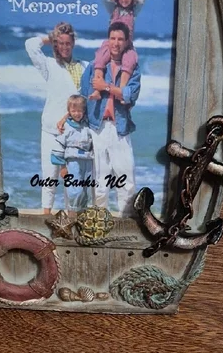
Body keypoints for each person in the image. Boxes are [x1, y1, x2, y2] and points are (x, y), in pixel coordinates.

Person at [80, 21, 141, 217]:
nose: (116, 43)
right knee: (100, 179)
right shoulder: (94, 66)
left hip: (119, 127)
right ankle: (100, 220)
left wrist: (106, 87)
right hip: (97, 126)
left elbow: (130, 95)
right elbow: (84, 92)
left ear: (126, 42)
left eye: (120, 39)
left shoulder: (132, 68)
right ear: (108, 40)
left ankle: (127, 220)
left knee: (126, 177)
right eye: (112, 38)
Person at [25, 22, 86, 215]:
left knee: (72, 180)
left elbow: (84, 99)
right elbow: (30, 45)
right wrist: (50, 38)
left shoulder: (83, 66)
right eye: (61, 43)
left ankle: (72, 218)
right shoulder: (49, 65)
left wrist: (67, 117)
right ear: (56, 44)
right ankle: (45, 216)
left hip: (74, 133)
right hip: (51, 130)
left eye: (68, 43)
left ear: (73, 43)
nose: (65, 47)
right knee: (49, 177)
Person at [88, 0, 145, 101]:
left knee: (129, 60)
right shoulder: (113, 9)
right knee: (100, 59)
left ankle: (121, 90)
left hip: (127, 45)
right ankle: (97, 90)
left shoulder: (133, 11)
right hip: (111, 43)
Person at [50, 95, 94, 213]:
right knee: (75, 189)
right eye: (73, 111)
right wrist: (63, 167)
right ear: (69, 112)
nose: (77, 114)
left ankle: (83, 213)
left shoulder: (87, 125)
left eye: (79, 111)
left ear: (84, 111)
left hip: (88, 160)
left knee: (86, 189)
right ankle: (72, 212)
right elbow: (59, 146)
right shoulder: (66, 127)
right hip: (73, 161)